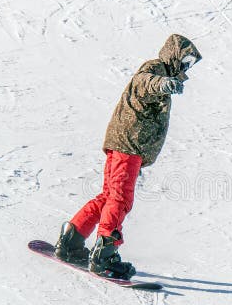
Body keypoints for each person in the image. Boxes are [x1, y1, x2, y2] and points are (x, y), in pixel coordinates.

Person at [53, 34, 202, 279]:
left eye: (190, 64)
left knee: (109, 196)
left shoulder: (162, 72)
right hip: (129, 145)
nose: (186, 67)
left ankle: (71, 240)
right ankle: (104, 256)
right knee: (120, 199)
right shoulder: (154, 69)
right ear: (174, 54)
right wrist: (163, 84)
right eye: (184, 60)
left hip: (123, 143)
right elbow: (145, 82)